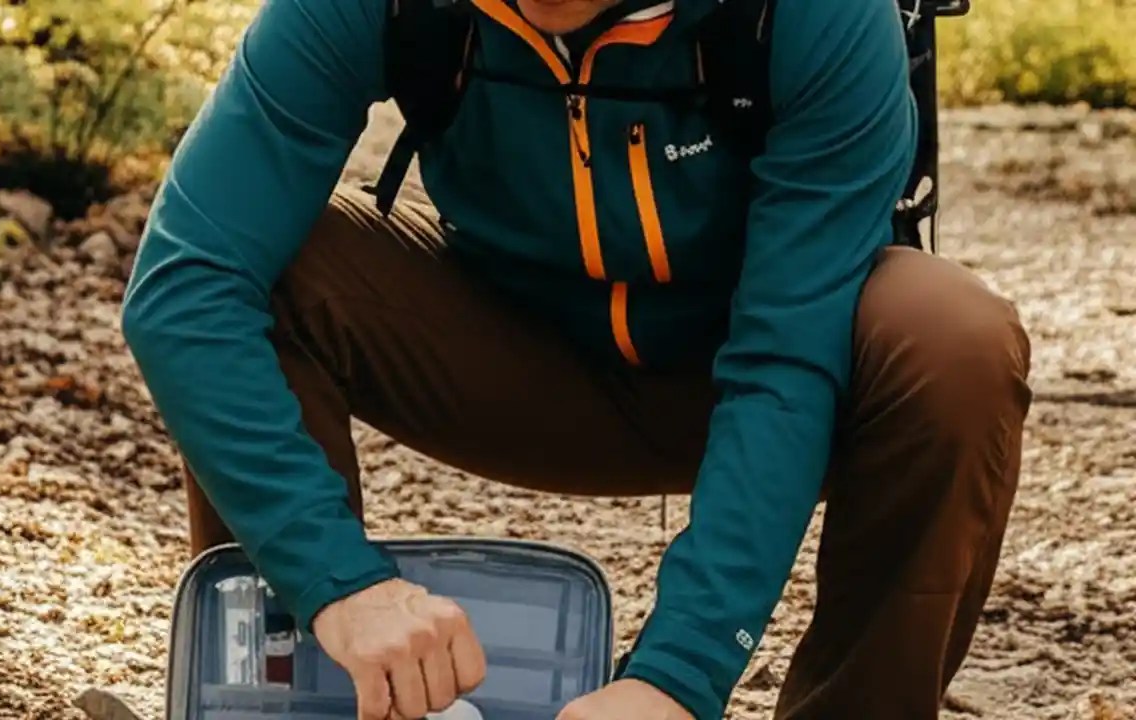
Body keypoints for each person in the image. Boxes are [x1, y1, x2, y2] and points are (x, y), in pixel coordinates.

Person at [120, 0, 1034, 715]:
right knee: (260, 267)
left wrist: (677, 679)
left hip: (752, 369)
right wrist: (337, 583)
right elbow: (183, 284)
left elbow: (787, 363)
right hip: (504, 348)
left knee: (954, 339)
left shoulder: (816, 14)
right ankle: (288, 700)